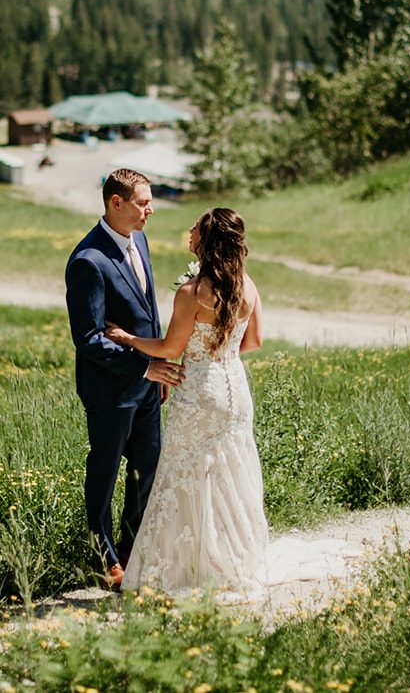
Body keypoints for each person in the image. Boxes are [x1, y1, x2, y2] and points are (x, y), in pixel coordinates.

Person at [104, 207, 270, 598]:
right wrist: (221, 352)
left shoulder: (193, 293)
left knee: (186, 475)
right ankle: (231, 559)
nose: (189, 233)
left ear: (205, 242)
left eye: (194, 230)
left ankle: (186, 566)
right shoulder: (247, 286)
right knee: (230, 473)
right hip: (235, 390)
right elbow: (254, 342)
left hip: (199, 391)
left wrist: (127, 339)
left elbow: (169, 348)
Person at [65, 169, 185, 589]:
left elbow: (148, 311)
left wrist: (158, 369)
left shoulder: (141, 241)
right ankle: (105, 559)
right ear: (115, 203)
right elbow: (89, 339)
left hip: (149, 385)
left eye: (149, 201)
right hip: (110, 390)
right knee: (105, 472)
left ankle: (133, 554)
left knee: (145, 470)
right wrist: (143, 367)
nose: (149, 209)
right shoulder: (87, 261)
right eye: (142, 202)